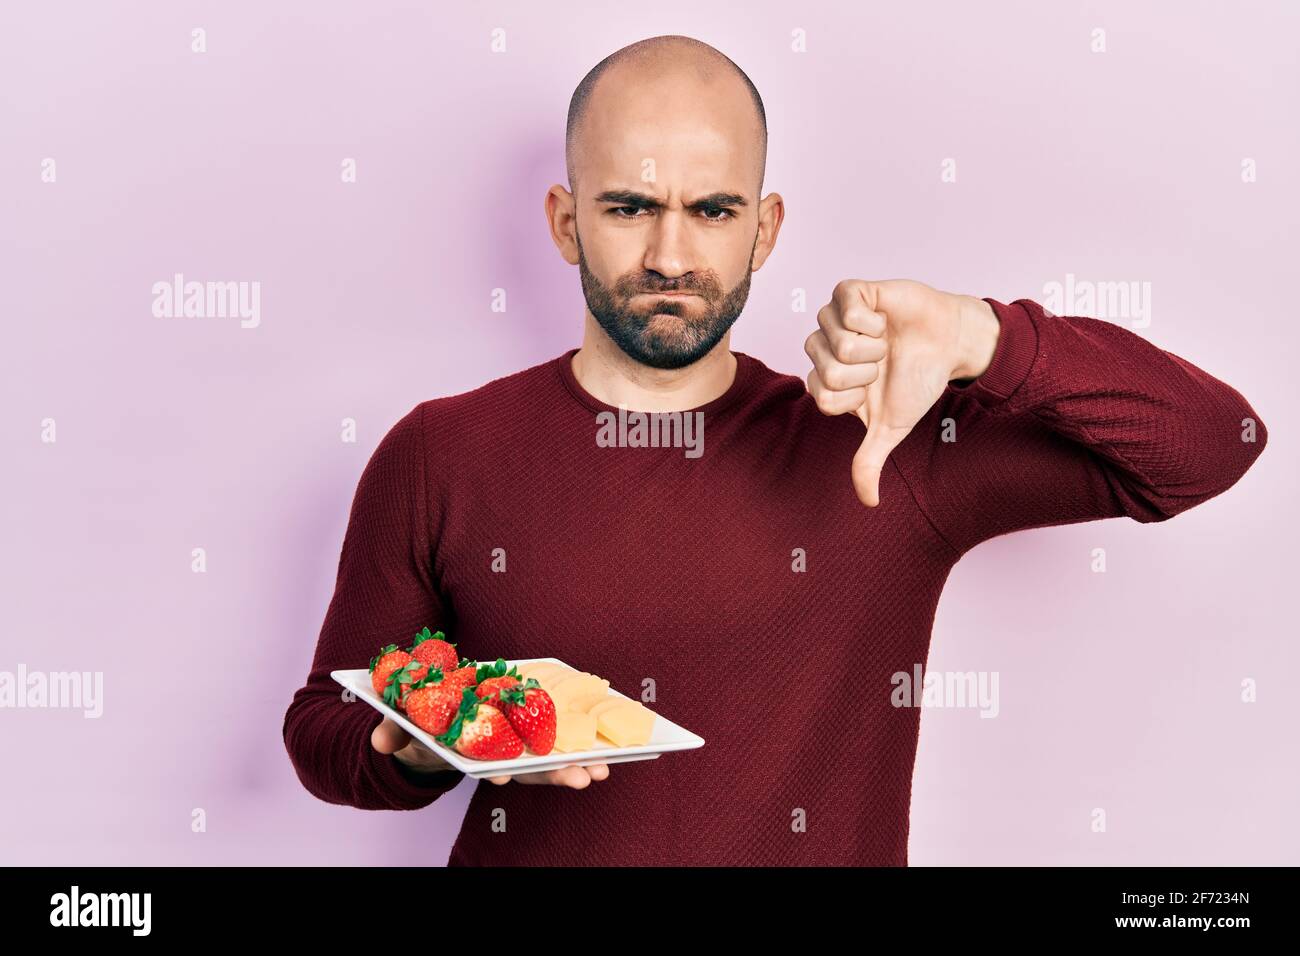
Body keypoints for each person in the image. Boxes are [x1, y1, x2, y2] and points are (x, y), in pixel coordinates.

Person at [282, 35, 1268, 866]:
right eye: (629, 206)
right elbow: (322, 731)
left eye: (713, 210)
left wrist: (982, 336)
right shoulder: (440, 450)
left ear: (764, 230)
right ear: (564, 219)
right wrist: (426, 738)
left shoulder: (878, 441)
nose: (671, 254)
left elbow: (1211, 442)